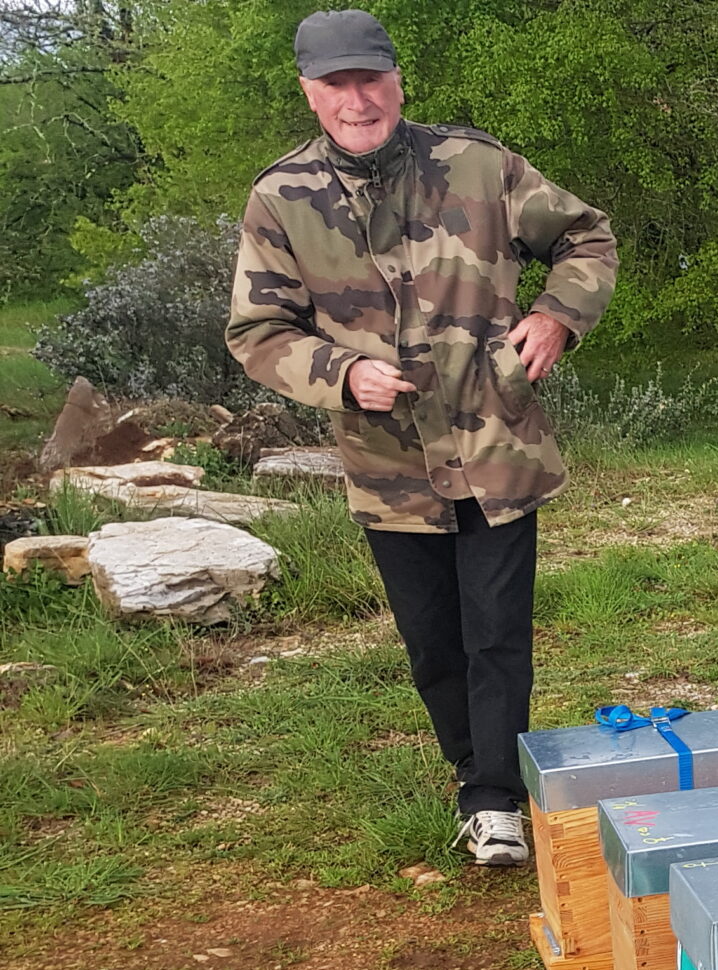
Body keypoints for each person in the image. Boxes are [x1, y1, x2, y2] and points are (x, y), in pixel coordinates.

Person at [225, 10, 616, 866]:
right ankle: (472, 767)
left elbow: (588, 238)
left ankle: (494, 802)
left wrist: (557, 315)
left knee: (497, 631)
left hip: (496, 447)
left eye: (370, 80)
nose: (357, 100)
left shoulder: (480, 165)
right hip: (388, 464)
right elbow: (258, 332)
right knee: (434, 642)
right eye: (337, 85)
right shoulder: (279, 198)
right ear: (309, 93)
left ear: (397, 80)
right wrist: (339, 375)